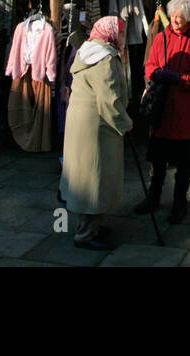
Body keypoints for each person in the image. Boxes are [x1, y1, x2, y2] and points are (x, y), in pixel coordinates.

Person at [134, 0, 190, 224]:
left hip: (187, 112)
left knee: (183, 165)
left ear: (189, 17)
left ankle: (180, 203)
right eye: (173, 15)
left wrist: (178, 79)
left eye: (180, 16)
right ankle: (154, 196)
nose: (176, 20)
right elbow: (149, 65)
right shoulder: (161, 39)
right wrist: (155, 74)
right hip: (163, 110)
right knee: (157, 161)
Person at [60, 16, 132, 250]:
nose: (122, 36)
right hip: (96, 127)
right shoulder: (104, 59)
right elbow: (109, 100)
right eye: (120, 32)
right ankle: (86, 234)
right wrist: (126, 124)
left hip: (82, 124)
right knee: (93, 179)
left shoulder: (88, 51)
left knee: (86, 176)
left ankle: (90, 226)